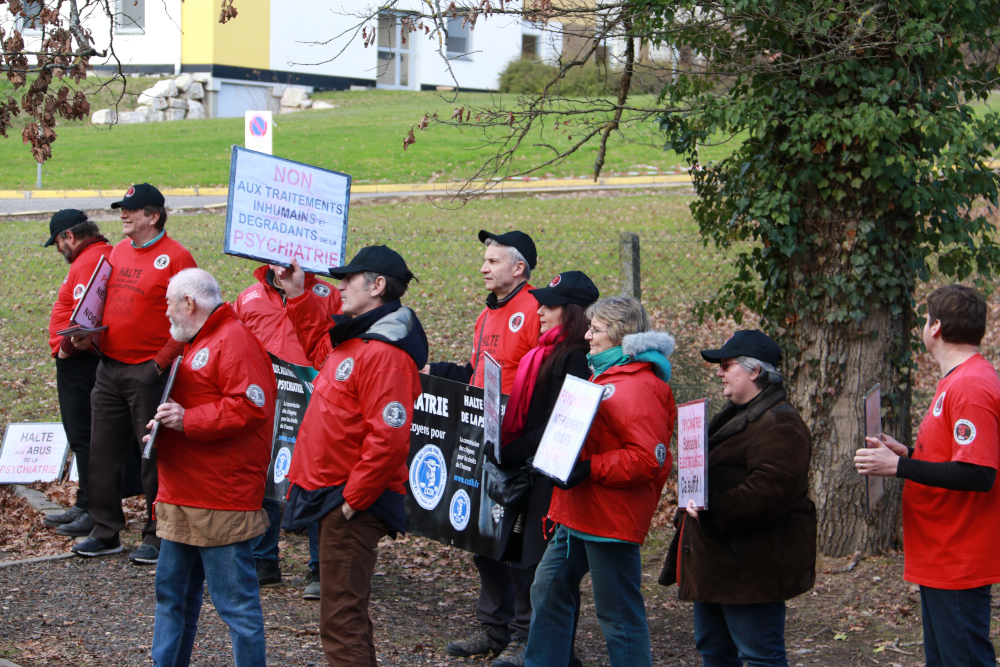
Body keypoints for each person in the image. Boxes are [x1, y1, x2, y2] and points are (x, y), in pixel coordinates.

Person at [279, 246, 428, 667]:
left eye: (350, 278)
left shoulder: (385, 353)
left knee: (341, 619)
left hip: (347, 502)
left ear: (377, 286)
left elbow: (389, 439)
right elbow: (318, 349)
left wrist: (351, 503)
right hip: (333, 495)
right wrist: (296, 296)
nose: (340, 286)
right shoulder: (358, 341)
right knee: (345, 615)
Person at [525, 296, 676, 667]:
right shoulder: (605, 373)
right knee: (547, 588)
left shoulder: (638, 385)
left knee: (618, 614)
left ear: (620, 334)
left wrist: (589, 468)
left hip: (610, 520)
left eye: (596, 329)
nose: (587, 336)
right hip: (578, 512)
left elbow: (646, 459)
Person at [855, 285, 1000, 667]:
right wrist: (910, 454)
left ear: (935, 327)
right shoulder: (958, 380)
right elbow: (955, 458)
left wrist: (899, 467)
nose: (923, 325)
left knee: (963, 660)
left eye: (924, 318)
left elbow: (979, 472)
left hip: (956, 554)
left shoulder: (969, 385)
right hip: (940, 551)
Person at [659, 329, 816, 667]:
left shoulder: (780, 424)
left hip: (751, 569)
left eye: (726, 365)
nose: (719, 372)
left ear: (754, 371)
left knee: (760, 657)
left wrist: (711, 508)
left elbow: (769, 491)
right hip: (720, 566)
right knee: (714, 652)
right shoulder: (741, 414)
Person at [144, 268, 275, 667]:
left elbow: (252, 405)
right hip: (183, 494)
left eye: (169, 306)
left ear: (189, 303)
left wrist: (187, 420)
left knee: (236, 610)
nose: (166, 316)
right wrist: (164, 425)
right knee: (172, 602)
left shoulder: (234, 340)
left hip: (220, 500)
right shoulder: (197, 340)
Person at [428, 230, 543, 662]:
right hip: (481, 439)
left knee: (515, 544)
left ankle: (523, 634)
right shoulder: (486, 315)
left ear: (518, 268)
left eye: (492, 261)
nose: (483, 268)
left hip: (518, 445)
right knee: (484, 537)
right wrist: (435, 370)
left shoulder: (534, 309)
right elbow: (478, 372)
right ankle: (494, 629)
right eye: (485, 260)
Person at [71, 183, 197, 563]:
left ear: (153, 215)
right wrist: (86, 334)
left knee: (153, 455)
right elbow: (102, 300)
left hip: (150, 371)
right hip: (108, 367)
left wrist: (159, 363)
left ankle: (158, 534)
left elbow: (190, 321)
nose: (123, 215)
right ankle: (105, 529)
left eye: (131, 210)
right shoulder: (119, 251)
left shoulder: (177, 258)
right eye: (121, 209)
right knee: (102, 453)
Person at [486, 270, 598, 667]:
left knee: (541, 566)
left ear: (574, 313)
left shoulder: (573, 358)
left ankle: (551, 650)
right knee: (520, 557)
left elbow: (556, 426)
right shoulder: (545, 353)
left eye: (550, 305)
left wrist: (510, 450)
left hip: (553, 477)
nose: (540, 312)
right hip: (533, 472)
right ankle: (543, 646)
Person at [235, 264, 342, 597]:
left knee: (313, 480)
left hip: (316, 401)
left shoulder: (329, 294)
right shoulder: (248, 297)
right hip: (265, 402)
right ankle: (263, 561)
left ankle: (321, 569)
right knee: (265, 476)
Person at [41, 209, 113, 537]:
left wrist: (67, 349)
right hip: (84, 358)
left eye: (58, 243)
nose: (59, 251)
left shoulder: (87, 261)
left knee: (83, 435)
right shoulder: (100, 253)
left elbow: (85, 316)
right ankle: (86, 501)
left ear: (69, 236)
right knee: (85, 436)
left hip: (79, 360)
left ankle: (90, 508)